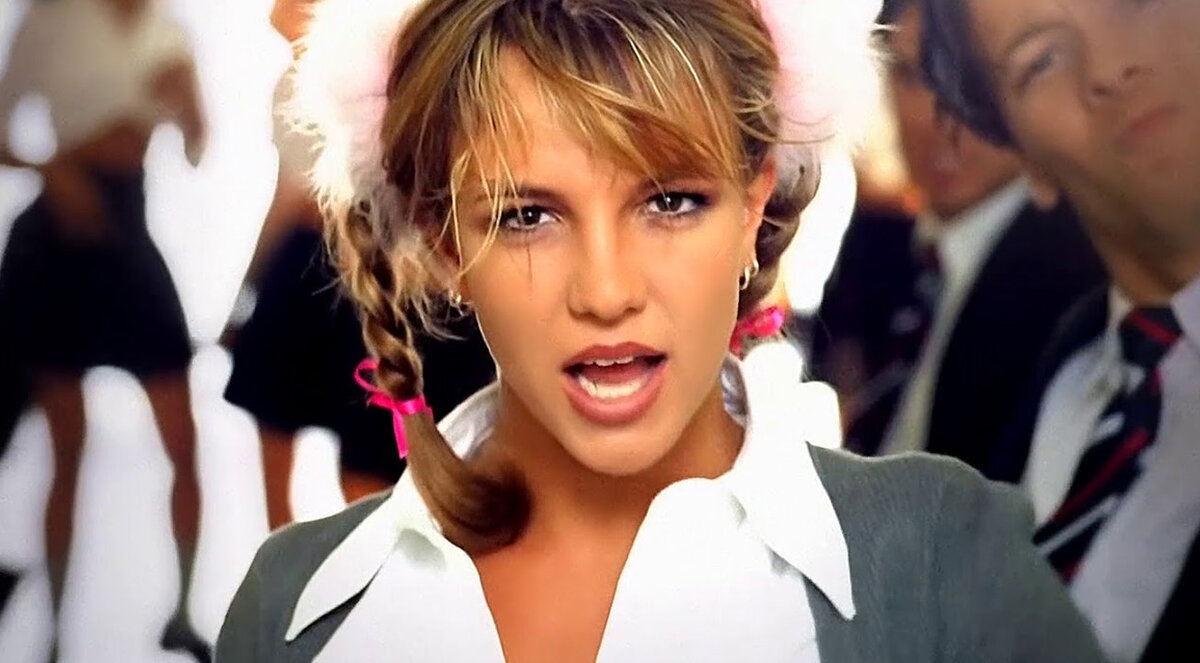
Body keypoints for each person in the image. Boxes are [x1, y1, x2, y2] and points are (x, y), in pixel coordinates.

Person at [216, 0, 1106, 660]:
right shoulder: (297, 613)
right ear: (448, 246)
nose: (607, 292)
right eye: (528, 216)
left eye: (671, 201)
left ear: (754, 204)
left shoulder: (946, 559)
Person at [921, 0, 1200, 660]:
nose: (1108, 67)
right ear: (1029, 164)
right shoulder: (1043, 378)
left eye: (1134, 2)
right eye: (1041, 60)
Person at [221, 0, 496, 529]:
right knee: (335, 455)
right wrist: (247, 292)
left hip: (381, 275)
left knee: (371, 466)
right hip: (327, 270)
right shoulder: (294, 84)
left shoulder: (387, 69)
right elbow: (286, 198)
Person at [0, 0, 210, 659]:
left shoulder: (169, 31)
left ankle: (183, 614)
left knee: (184, 441)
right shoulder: (50, 20)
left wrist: (188, 112)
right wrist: (53, 171)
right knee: (67, 447)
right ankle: (56, 632)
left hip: (128, 223)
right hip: (56, 239)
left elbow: (198, 147)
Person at [812, 0, 1104, 467]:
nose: (940, 115)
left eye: (972, 79)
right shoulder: (885, 245)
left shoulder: (1070, 262)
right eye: (913, 76)